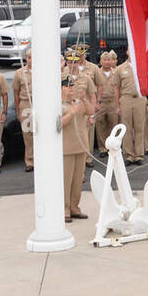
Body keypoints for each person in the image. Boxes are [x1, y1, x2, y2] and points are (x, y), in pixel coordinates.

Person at [60, 75, 95, 222]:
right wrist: (72, 112)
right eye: (68, 86)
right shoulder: (59, 105)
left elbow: (90, 111)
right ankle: (64, 210)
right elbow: (59, 124)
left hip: (80, 146)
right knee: (66, 181)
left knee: (77, 180)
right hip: (67, 148)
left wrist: (84, 99)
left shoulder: (77, 103)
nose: (71, 89)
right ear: (61, 89)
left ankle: (75, 207)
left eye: (72, 86)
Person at [118, 52, 147, 166]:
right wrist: (117, 104)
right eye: (130, 50)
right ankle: (129, 155)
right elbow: (116, 87)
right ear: (126, 52)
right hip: (126, 99)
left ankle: (139, 155)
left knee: (139, 127)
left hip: (139, 99)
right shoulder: (120, 68)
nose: (133, 52)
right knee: (127, 128)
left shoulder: (143, 67)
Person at [12, 50, 35, 173]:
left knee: (41, 133)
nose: (31, 59)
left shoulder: (43, 71)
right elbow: (16, 94)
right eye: (29, 57)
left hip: (40, 104)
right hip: (25, 104)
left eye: (33, 57)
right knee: (28, 135)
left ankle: (41, 160)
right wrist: (18, 111)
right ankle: (30, 161)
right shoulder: (19, 73)